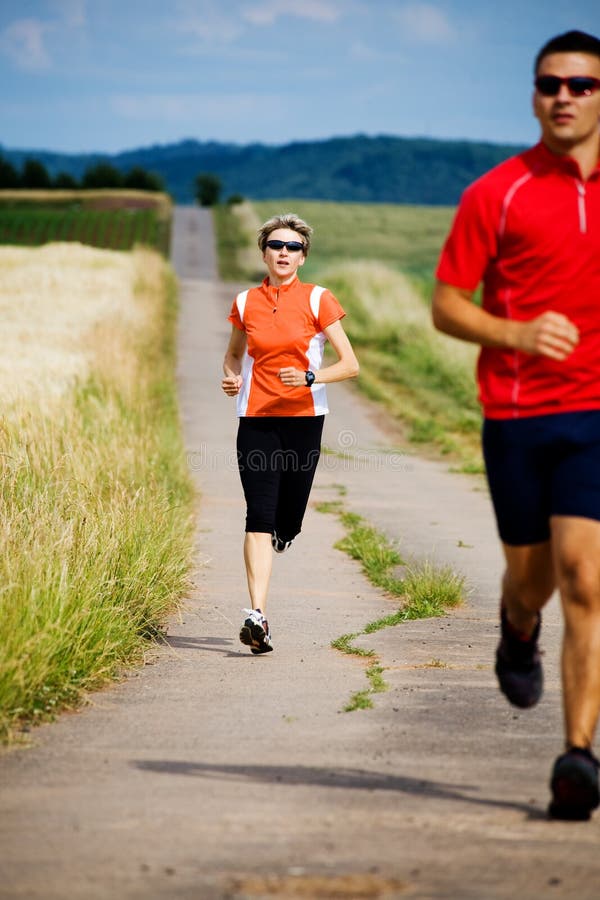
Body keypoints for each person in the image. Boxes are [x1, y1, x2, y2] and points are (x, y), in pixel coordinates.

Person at [432, 29, 600, 820]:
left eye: (581, 84)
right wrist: (518, 332)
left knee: (586, 579)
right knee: (534, 580)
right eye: (549, 83)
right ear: (534, 95)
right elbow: (447, 304)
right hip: (519, 414)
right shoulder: (494, 193)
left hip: (595, 414)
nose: (563, 95)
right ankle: (515, 620)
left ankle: (577, 758)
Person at [221, 213, 359, 656]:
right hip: (257, 421)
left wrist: (311, 377)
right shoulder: (245, 302)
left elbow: (350, 364)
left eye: (293, 246)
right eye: (276, 244)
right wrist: (230, 379)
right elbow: (233, 357)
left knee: (289, 515)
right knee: (258, 514)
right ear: (263, 252)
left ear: (303, 256)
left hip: (304, 421)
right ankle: (256, 616)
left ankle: (286, 530)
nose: (284, 252)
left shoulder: (319, 299)